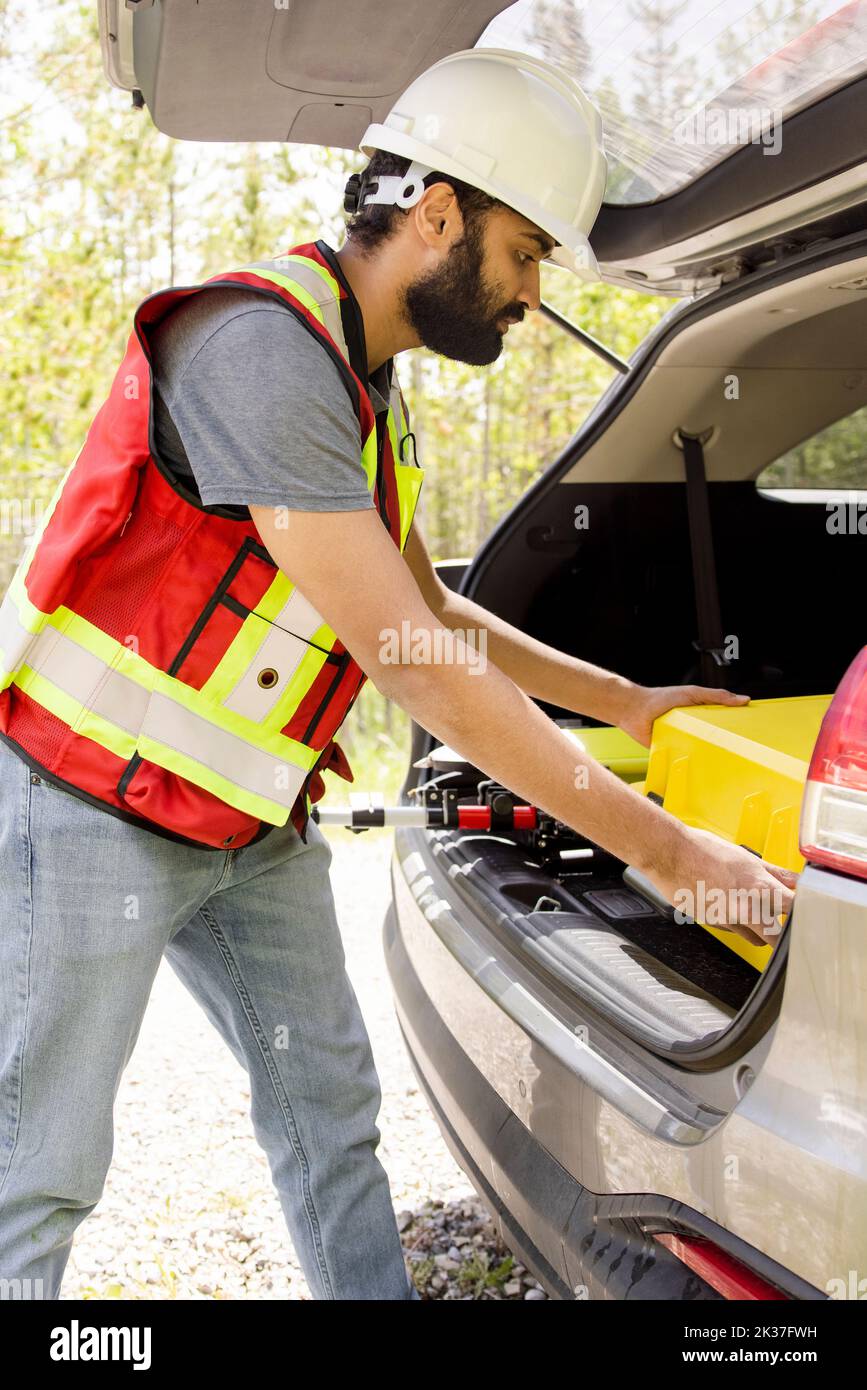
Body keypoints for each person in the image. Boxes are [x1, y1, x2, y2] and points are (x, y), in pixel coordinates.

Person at [0, 48, 796, 1301]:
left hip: (245, 821)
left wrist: (630, 703)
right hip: (89, 803)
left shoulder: (364, 384)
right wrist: (676, 856)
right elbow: (408, 660)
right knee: (40, 1168)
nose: (532, 295)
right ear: (438, 216)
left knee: (330, 1115)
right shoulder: (262, 349)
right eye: (526, 252)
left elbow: (433, 608)